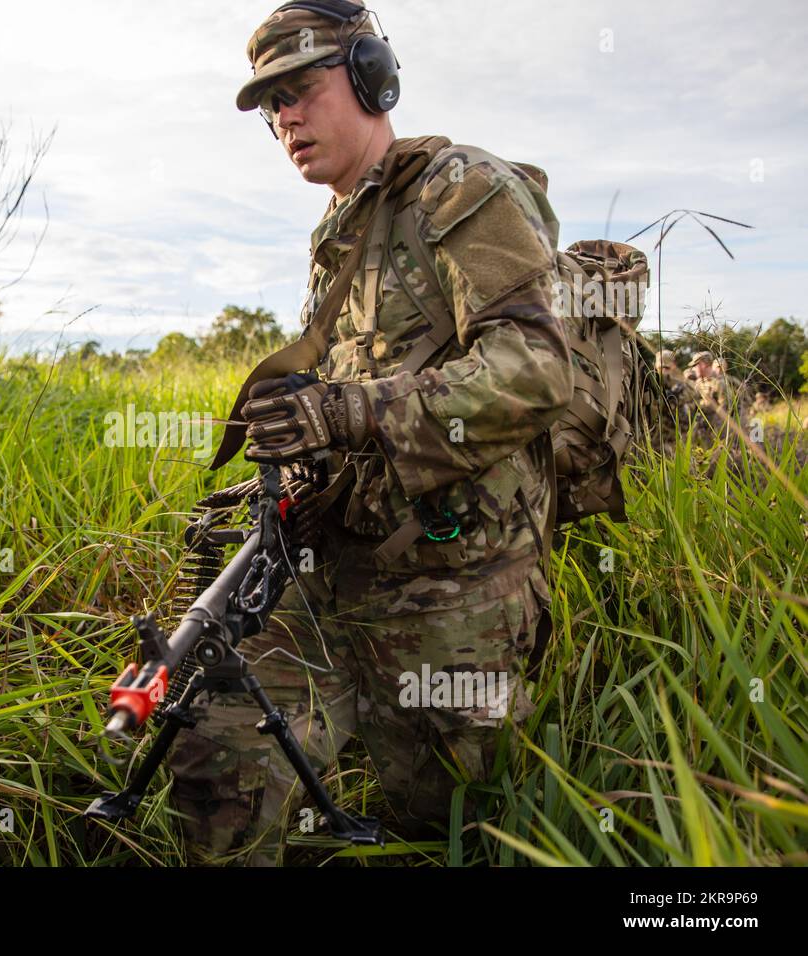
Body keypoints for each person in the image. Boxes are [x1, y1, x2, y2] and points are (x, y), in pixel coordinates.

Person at [166, 0, 573, 865]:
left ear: (371, 77)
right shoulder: (337, 234)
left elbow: (535, 371)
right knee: (212, 757)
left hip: (453, 585)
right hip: (335, 564)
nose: (285, 118)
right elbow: (349, 388)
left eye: (301, 90)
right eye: (270, 106)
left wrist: (349, 412)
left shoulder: (464, 188)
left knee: (450, 829)